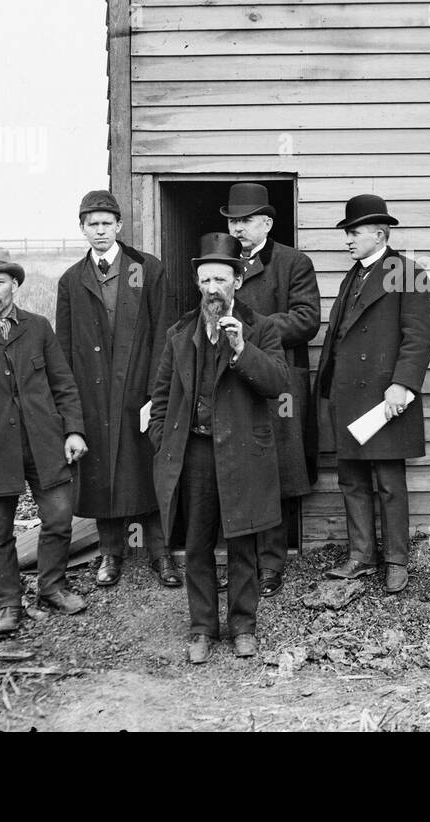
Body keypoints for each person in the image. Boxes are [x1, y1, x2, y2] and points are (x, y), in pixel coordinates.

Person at [148, 233, 288, 664]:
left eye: (221, 279)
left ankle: (243, 625)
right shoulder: (180, 333)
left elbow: (278, 382)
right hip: (196, 453)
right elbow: (161, 396)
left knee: (245, 542)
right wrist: (164, 439)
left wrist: (242, 349)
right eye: (206, 280)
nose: (213, 289)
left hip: (244, 451)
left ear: (237, 283)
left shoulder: (261, 328)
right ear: (198, 284)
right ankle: (202, 626)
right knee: (197, 544)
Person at [0, 247, 90, 635]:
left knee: (58, 520)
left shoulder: (38, 327)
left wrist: (73, 430)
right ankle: (9, 603)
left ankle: (52, 587)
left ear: (15, 285)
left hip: (44, 444)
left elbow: (64, 384)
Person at [56, 189, 181, 590]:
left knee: (147, 469)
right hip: (94, 397)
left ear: (119, 226)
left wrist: (155, 394)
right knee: (101, 472)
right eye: (92, 224)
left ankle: (161, 555)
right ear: (82, 228)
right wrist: (73, 411)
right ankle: (111, 553)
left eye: (107, 223)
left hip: (139, 391)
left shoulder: (146, 269)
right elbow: (64, 348)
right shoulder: (72, 280)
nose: (100, 231)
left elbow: (164, 333)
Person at [315, 194, 430, 594]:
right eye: (348, 232)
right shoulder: (355, 275)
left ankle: (396, 560)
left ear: (380, 234)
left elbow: (420, 337)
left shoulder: (407, 272)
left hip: (385, 398)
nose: (348, 239)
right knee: (351, 479)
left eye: (354, 232)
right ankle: (361, 556)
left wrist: (402, 384)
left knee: (388, 481)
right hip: (348, 395)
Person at [223, 182, 320, 598]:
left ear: (267, 221)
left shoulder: (292, 262)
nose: (238, 228)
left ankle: (271, 565)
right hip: (233, 379)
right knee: (238, 468)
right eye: (233, 221)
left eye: (246, 221)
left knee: (275, 470)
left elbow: (307, 319)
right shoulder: (221, 262)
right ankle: (242, 563)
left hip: (277, 381)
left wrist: (254, 331)